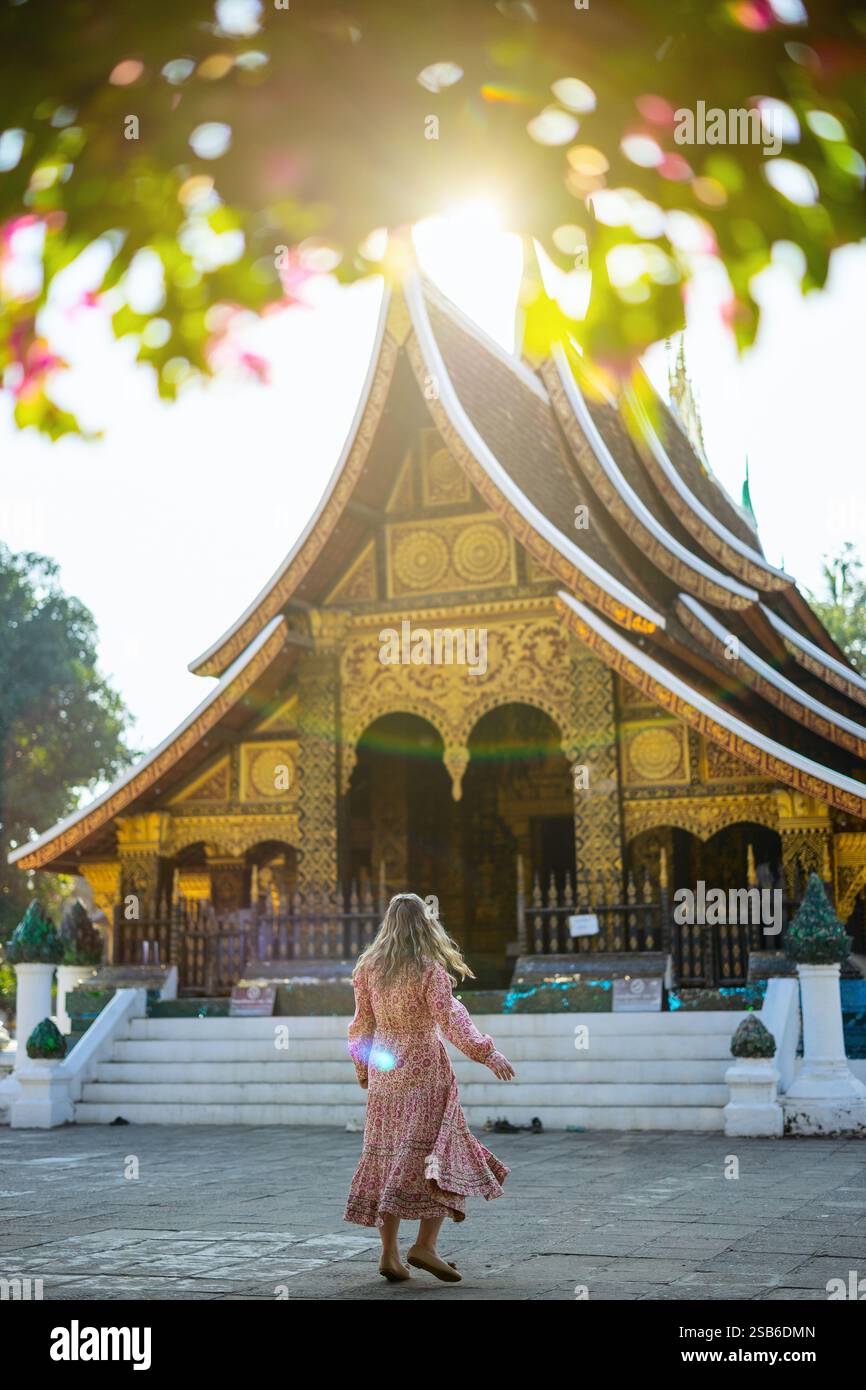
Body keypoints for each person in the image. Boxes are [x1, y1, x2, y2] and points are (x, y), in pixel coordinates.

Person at [343, 892, 515, 1282]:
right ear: (425, 923)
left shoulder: (368, 968)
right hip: (425, 1072)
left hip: (387, 1074)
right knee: (434, 1155)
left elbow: (360, 1026)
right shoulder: (428, 968)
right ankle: (425, 1246)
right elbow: (451, 1018)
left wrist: (363, 1069)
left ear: (388, 923)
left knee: (388, 1157)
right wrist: (487, 1053)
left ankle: (389, 1254)